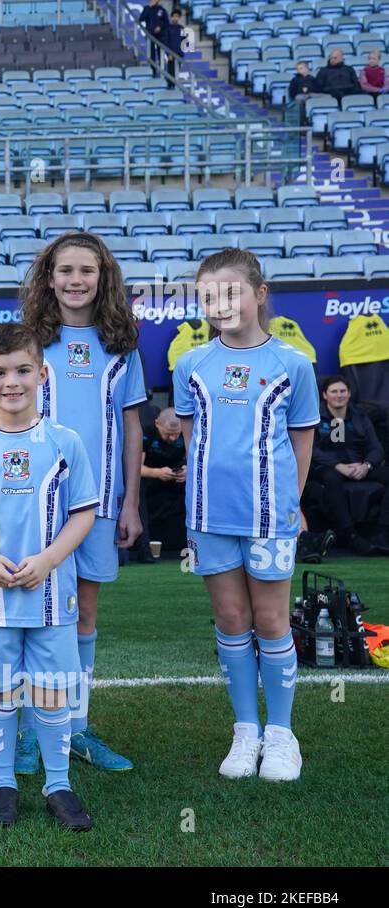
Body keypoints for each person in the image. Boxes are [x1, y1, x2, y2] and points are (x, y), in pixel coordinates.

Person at [0, 322, 100, 830]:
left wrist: (50, 559)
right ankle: (4, 782)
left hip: (53, 596)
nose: (11, 382)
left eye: (22, 370)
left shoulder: (65, 441)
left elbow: (82, 513)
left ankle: (58, 784)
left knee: (55, 691)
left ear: (42, 373)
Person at [173, 248, 318, 782]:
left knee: (271, 620)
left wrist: (290, 504)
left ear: (260, 295)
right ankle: (246, 732)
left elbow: (302, 443)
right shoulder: (191, 364)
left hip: (270, 518)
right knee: (232, 621)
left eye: (231, 292)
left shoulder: (294, 364)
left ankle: (281, 735)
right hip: (211, 518)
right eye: (209, 295)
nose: (220, 304)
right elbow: (194, 443)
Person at [20, 232, 145, 774]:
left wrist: (132, 502)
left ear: (103, 278)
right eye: (64, 270)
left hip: (97, 505)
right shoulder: (28, 341)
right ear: (49, 278)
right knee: (33, 615)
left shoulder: (121, 345)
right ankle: (30, 730)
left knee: (82, 614)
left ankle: (76, 726)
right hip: (31, 504)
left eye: (86, 271)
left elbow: (132, 426)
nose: (75, 280)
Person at [311, 374, 389, 554]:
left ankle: (383, 533)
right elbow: (313, 450)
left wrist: (367, 465)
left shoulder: (360, 416)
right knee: (330, 478)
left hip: (359, 465)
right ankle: (350, 535)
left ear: (349, 394)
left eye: (342, 391)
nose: (339, 395)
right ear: (325, 395)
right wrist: (337, 465)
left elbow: (376, 448)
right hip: (330, 468)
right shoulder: (315, 416)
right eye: (334, 391)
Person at [136, 406, 187, 559]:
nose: (173, 438)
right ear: (157, 424)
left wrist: (188, 470)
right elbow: (135, 468)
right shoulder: (146, 433)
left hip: (178, 479)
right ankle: (144, 546)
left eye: (176, 434)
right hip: (150, 478)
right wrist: (156, 472)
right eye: (168, 434)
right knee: (137, 488)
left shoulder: (187, 432)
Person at [138, 0, 170, 76]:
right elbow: (141, 18)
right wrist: (149, 7)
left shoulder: (161, 9)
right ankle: (153, 71)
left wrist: (160, 27)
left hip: (160, 35)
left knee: (160, 53)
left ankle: (162, 70)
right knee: (151, 54)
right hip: (150, 35)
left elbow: (166, 22)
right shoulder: (147, 8)